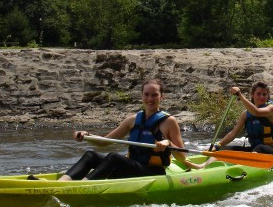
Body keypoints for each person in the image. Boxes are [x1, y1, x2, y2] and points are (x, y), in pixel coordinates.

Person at [57, 78, 209, 181]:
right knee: (91, 155)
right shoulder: (132, 120)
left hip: (152, 172)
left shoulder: (169, 121)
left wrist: (168, 144)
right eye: (146, 94)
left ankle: (82, 185)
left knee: (114, 157)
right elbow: (105, 142)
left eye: (154, 95)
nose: (150, 99)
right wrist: (86, 135)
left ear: (162, 97)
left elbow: (181, 157)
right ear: (142, 96)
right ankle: (62, 183)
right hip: (131, 167)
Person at [212, 81, 273, 155]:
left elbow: (256, 112)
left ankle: (250, 163)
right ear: (252, 95)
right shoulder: (245, 114)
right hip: (254, 150)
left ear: (267, 96)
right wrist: (217, 146)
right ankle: (203, 166)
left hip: (272, 150)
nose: (262, 97)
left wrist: (240, 95)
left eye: (264, 94)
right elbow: (233, 133)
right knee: (223, 149)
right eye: (258, 94)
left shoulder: (272, 109)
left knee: (259, 147)